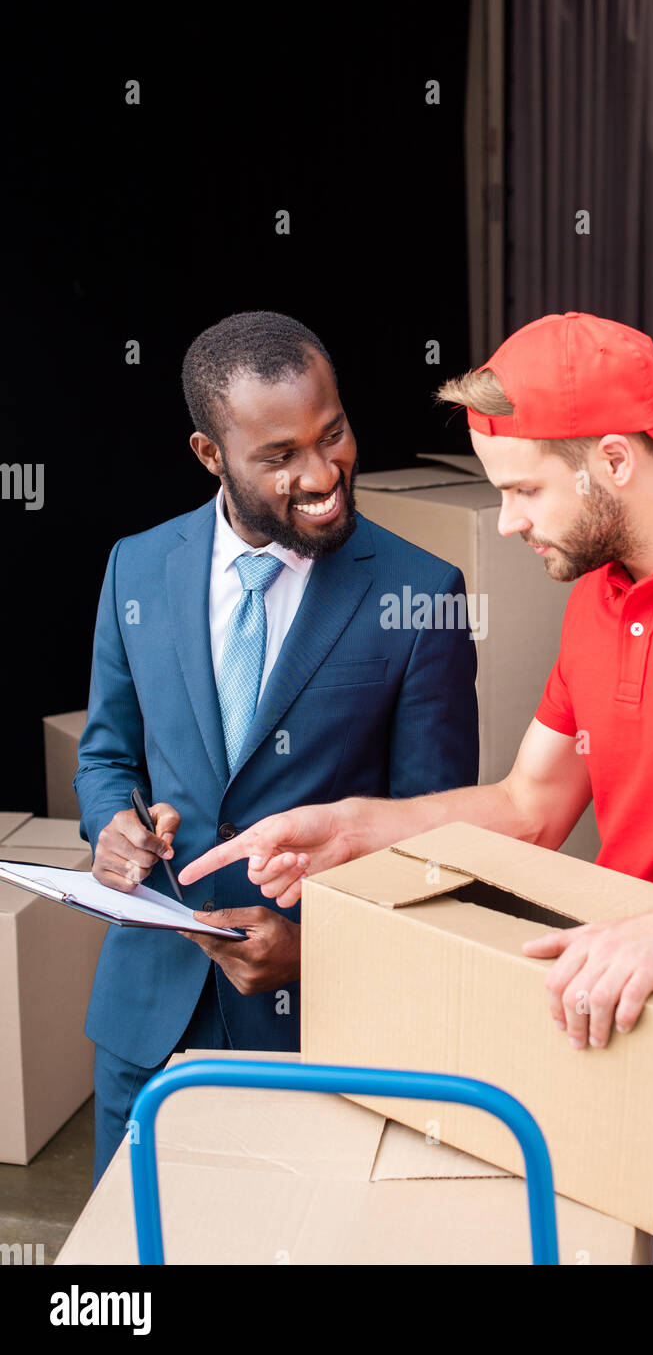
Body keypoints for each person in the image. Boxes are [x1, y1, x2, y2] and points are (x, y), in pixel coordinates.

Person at [180, 310, 653, 1263]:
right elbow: (528, 806)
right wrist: (362, 826)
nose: (510, 520)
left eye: (524, 490)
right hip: (615, 1032)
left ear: (612, 460)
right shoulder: (598, 601)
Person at [75, 310, 479, 1184]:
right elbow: (106, 755)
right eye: (279, 455)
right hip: (148, 1025)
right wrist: (111, 827)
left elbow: (435, 849)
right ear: (209, 454)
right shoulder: (134, 569)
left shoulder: (423, 596)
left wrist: (316, 947)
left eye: (331, 434)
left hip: (321, 1033)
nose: (322, 473)